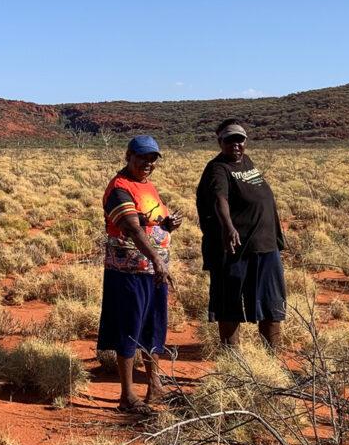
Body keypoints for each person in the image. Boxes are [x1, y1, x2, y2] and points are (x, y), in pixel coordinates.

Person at [97, 135, 184, 412]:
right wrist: (157, 259)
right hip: (129, 272)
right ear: (128, 156)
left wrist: (167, 225)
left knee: (153, 327)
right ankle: (127, 396)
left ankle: (154, 387)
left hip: (153, 271)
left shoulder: (147, 186)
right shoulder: (119, 188)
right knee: (129, 328)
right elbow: (133, 228)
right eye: (142, 157)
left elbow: (149, 222)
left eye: (152, 158)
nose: (147, 163)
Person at [196, 120, 286, 347]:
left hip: (265, 246)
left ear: (245, 141)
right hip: (237, 248)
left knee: (272, 304)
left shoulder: (246, 162)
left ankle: (272, 359)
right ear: (220, 142)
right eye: (229, 140)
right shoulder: (218, 168)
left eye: (239, 140)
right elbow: (220, 199)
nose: (235, 145)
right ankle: (232, 359)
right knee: (230, 304)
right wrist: (228, 227)